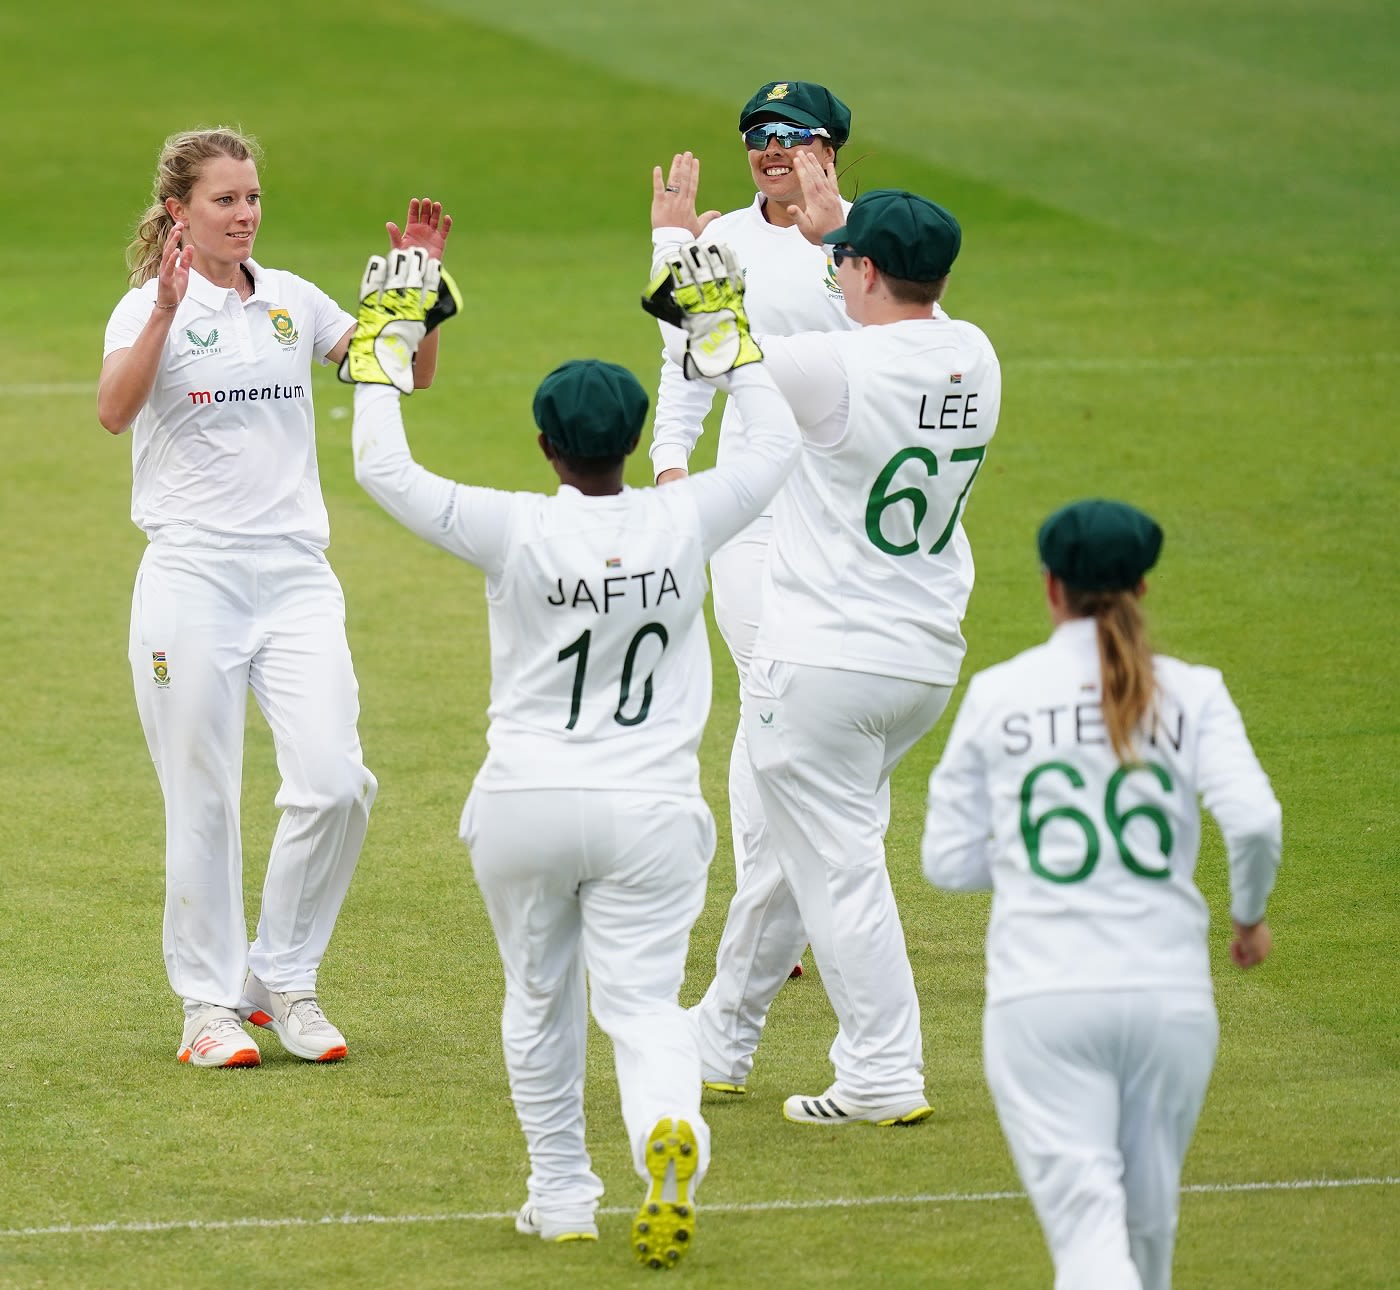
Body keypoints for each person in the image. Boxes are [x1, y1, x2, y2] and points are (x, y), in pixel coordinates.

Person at [344, 245, 800, 1264]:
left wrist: (391, 337)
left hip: (525, 803)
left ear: (546, 445)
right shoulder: (688, 515)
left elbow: (381, 468)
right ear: (634, 442)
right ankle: (662, 1137)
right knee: (641, 1005)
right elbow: (772, 441)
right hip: (651, 814)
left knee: (539, 1000)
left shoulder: (512, 528)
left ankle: (558, 1193)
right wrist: (716, 333)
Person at [97, 125, 452, 1068]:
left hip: (296, 576)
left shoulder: (294, 299)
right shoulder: (143, 306)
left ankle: (281, 977)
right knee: (204, 797)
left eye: (252, 197)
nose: (245, 214)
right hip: (192, 576)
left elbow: (403, 373)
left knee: (338, 781)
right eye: (224, 199)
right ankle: (206, 1008)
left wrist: (417, 299)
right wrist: (167, 314)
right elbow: (113, 409)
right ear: (180, 210)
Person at [647, 190, 1001, 1122]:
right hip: (921, 659)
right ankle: (721, 1035)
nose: (831, 269)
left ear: (867, 271)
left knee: (837, 869)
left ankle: (882, 1070)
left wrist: (675, 243)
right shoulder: (975, 352)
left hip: (823, 662)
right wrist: (835, 232)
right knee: (799, 858)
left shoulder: (827, 364)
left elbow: (702, 344)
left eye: (843, 259)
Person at [922, 499, 1283, 1289]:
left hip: (1042, 997)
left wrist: (1032, 861)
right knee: (1148, 1232)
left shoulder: (999, 693)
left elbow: (946, 860)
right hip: (1169, 999)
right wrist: (1248, 918)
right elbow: (1255, 821)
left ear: (1051, 588)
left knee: (1089, 1235)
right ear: (1143, 587)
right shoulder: (1197, 692)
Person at [649, 81, 861, 916]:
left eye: (793, 133)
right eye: (757, 134)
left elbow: (908, 337)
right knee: (768, 691)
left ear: (830, 147)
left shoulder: (864, 237)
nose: (772, 148)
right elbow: (686, 358)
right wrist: (671, 464)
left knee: (827, 699)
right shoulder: (722, 238)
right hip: (748, 502)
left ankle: (818, 883)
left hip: (844, 502)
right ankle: (770, 897)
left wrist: (837, 241)